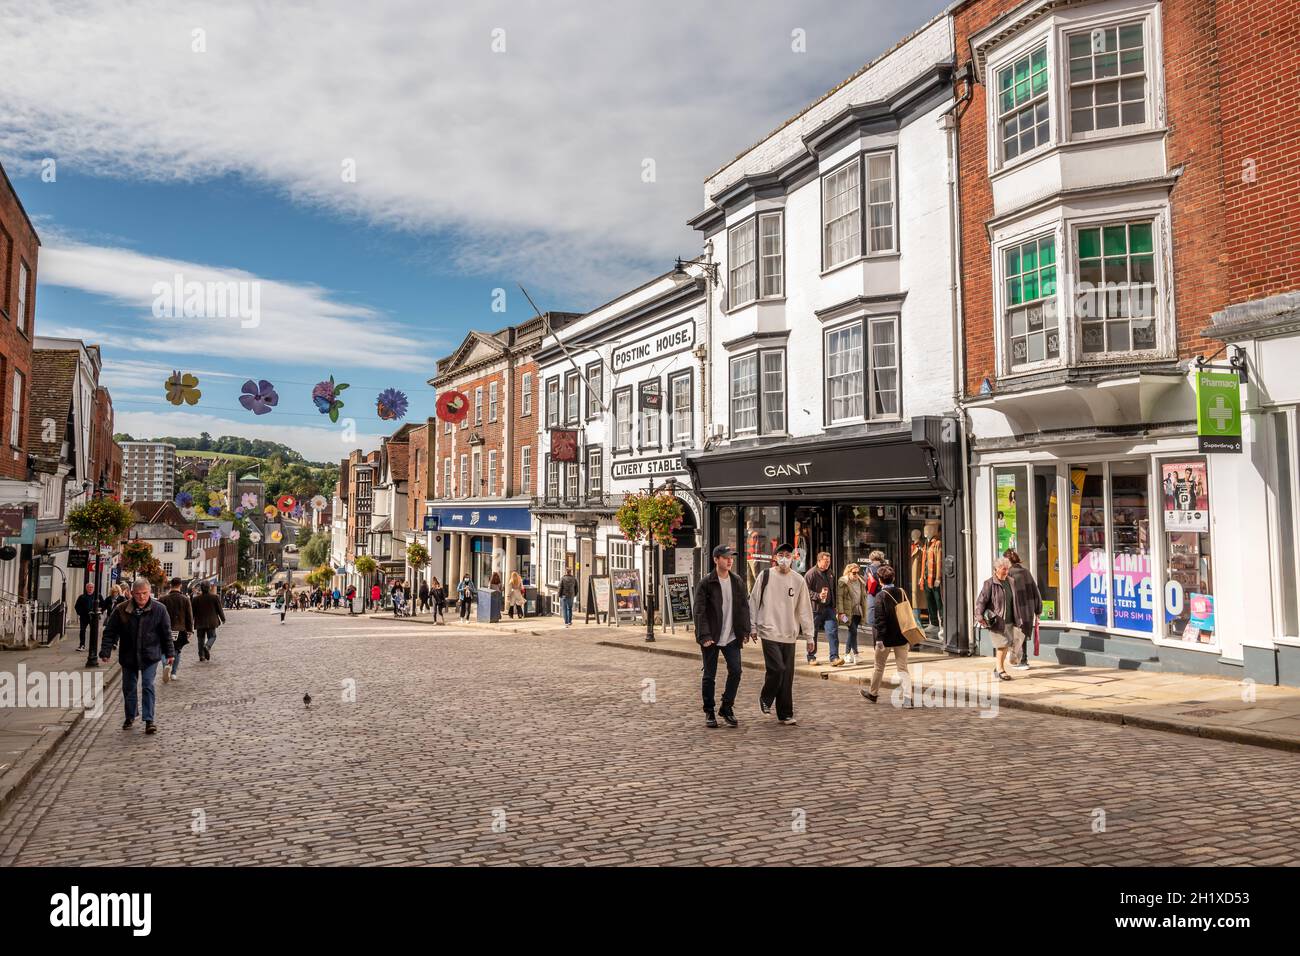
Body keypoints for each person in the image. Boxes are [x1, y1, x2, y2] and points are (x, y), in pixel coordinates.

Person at [751, 542, 814, 726]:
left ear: (793, 558)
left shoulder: (798, 580)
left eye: (788, 554)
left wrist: (809, 636)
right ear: (775, 558)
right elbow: (754, 602)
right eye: (781, 554)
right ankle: (765, 697)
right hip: (769, 630)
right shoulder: (765, 576)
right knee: (777, 669)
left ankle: (785, 713)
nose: (784, 558)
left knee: (787, 676)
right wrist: (753, 626)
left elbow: (804, 610)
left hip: (789, 633)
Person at [100, 579, 174, 734]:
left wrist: (170, 653)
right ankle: (131, 715)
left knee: (148, 685)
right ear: (132, 593)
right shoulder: (121, 609)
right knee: (129, 688)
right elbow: (110, 632)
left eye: (145, 593)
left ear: (150, 593)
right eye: (138, 594)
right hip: (128, 655)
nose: (141, 597)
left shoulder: (159, 609)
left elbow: (166, 633)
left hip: (150, 655)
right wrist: (105, 651)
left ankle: (149, 720)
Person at [693, 545, 753, 728]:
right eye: (725, 557)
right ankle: (709, 711)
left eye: (731, 557)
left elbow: (743, 608)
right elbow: (699, 611)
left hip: (732, 636)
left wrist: (745, 631)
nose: (729, 560)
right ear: (716, 559)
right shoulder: (706, 583)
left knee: (736, 671)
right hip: (711, 636)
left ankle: (727, 707)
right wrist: (704, 635)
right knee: (709, 676)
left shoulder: (737, 581)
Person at [861, 565, 912, 705]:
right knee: (903, 668)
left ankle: (873, 693)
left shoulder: (880, 596)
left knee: (878, 666)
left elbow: (880, 620)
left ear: (880, 580)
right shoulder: (901, 592)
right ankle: (908, 698)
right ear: (893, 578)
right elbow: (908, 612)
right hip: (902, 636)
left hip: (886, 638)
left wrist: (879, 639)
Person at [975, 557, 1019, 681]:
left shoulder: (1011, 581)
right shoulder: (989, 583)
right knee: (1002, 644)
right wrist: (979, 616)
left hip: (1010, 619)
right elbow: (981, 601)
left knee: (1006, 645)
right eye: (1003, 569)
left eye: (1007, 569)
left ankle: (997, 667)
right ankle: (1000, 670)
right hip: (996, 620)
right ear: (996, 569)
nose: (1006, 571)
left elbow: (1014, 600)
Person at [1003, 549, 1042, 671]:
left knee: (1012, 634)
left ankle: (1017, 658)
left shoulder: (1008, 574)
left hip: (1014, 610)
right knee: (1022, 634)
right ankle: (1024, 659)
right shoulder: (1026, 572)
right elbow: (1036, 592)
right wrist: (1038, 609)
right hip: (1027, 610)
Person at [804, 551, 838, 666]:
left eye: (829, 561)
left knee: (832, 632)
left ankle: (834, 657)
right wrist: (817, 596)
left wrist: (835, 606)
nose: (828, 563)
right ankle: (811, 657)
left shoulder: (830, 573)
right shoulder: (811, 574)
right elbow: (805, 591)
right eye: (825, 561)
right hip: (815, 609)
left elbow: (833, 590)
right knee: (813, 633)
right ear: (819, 561)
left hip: (829, 608)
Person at [158, 577, 194, 683]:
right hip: (180, 629)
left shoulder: (163, 599)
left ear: (170, 585)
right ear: (180, 586)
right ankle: (173, 673)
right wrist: (189, 630)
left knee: (164, 651)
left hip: (165, 629)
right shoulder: (185, 599)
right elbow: (189, 616)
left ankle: (166, 666)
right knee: (177, 651)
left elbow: (158, 615)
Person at [835, 563, 869, 666]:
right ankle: (856, 654)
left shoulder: (861, 581)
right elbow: (839, 597)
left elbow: (863, 597)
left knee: (852, 633)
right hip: (846, 612)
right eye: (854, 573)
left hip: (858, 611)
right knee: (853, 631)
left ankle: (846, 654)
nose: (856, 574)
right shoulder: (843, 582)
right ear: (848, 572)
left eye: (858, 572)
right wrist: (840, 612)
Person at [191, 581, 226, 661]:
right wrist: (223, 618)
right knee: (212, 636)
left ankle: (201, 656)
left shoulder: (196, 599)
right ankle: (207, 646)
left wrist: (191, 622)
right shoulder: (214, 597)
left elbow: (192, 612)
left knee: (200, 639)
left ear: (201, 588)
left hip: (200, 622)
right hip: (211, 621)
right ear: (209, 587)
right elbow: (219, 609)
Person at [74, 582, 104, 652]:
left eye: (91, 587)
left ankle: (93, 646)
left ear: (94, 588)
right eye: (89, 587)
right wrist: (81, 613)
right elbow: (77, 606)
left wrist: (99, 610)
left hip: (94, 617)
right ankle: (82, 645)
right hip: (84, 617)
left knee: (93, 632)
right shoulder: (82, 597)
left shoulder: (98, 596)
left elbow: (103, 604)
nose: (90, 589)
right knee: (82, 631)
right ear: (86, 588)